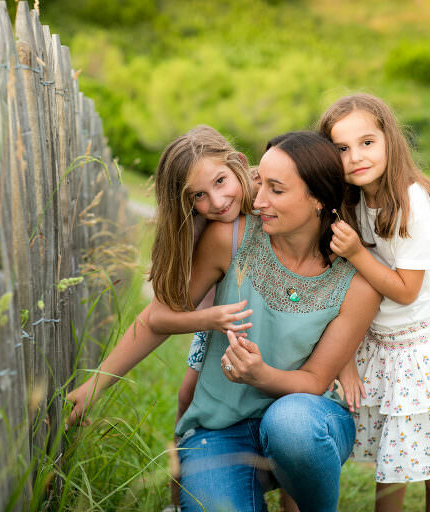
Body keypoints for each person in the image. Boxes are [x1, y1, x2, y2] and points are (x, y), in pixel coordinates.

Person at [149, 131, 381, 512]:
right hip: (222, 429)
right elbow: (158, 315)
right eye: (260, 185)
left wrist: (258, 374)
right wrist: (96, 385)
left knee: (290, 424)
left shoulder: (356, 283)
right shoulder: (233, 236)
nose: (256, 201)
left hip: (305, 421)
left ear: (319, 199)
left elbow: (314, 383)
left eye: (276, 189)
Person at [318, 93, 430, 512]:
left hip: (421, 350)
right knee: (392, 463)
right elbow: (336, 286)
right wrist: (347, 361)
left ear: (389, 139)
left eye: (366, 142)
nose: (356, 156)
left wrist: (357, 252)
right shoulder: (352, 202)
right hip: (380, 344)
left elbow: (405, 290)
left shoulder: (413, 202)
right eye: (342, 148)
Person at [65, 124, 255, 431]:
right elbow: (157, 316)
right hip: (220, 320)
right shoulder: (200, 227)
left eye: (221, 181)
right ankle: (180, 472)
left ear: (239, 164)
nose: (218, 202)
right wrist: (96, 383)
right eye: (199, 195)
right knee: (188, 396)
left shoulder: (273, 193)